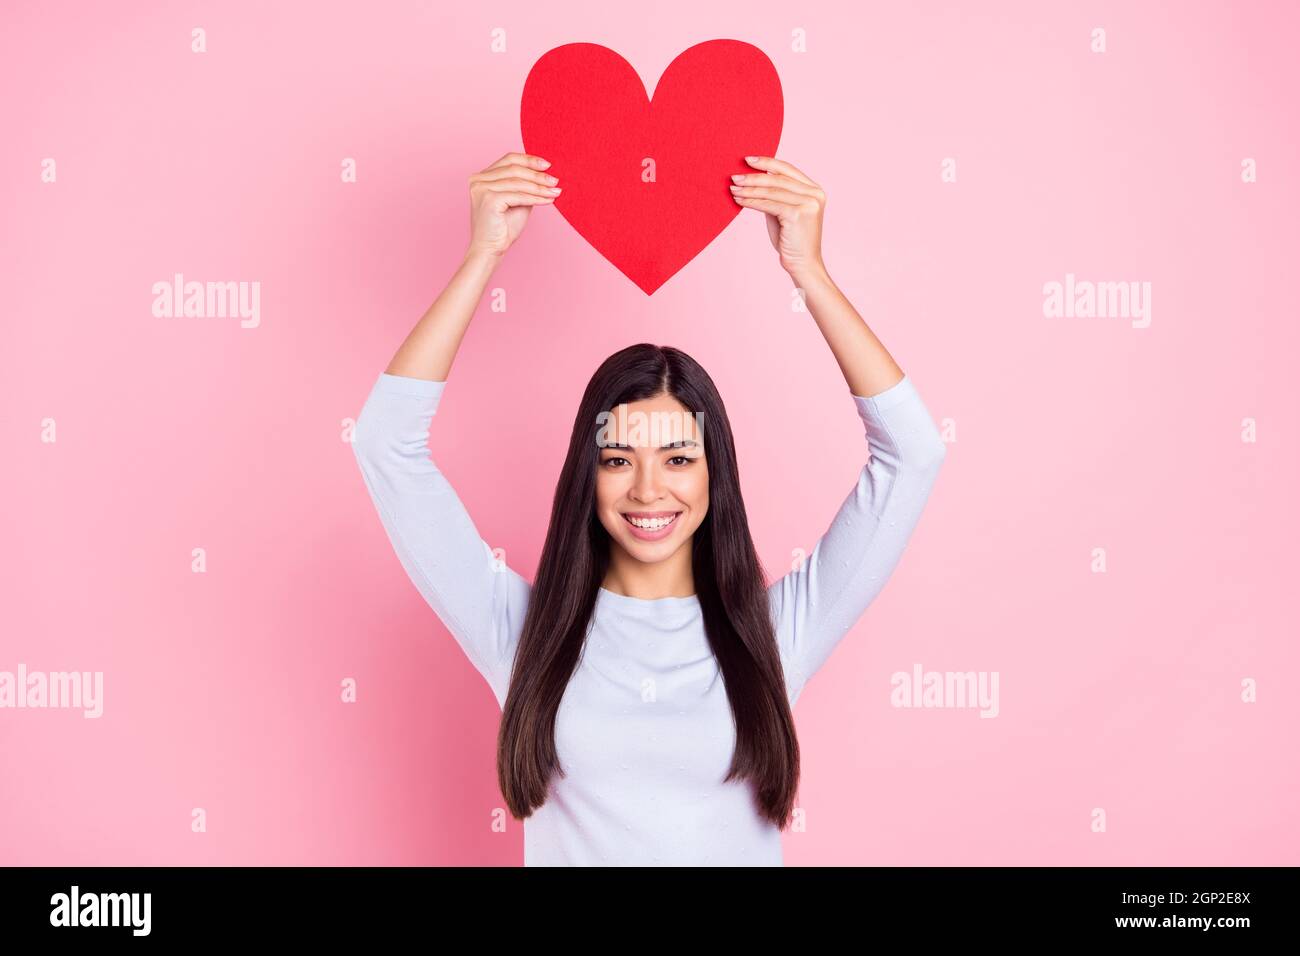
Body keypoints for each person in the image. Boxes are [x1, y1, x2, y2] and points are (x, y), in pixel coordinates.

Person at [352, 151, 947, 865]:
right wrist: (483, 254)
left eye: (676, 458)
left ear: (712, 473)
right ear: (588, 475)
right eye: (616, 460)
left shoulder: (778, 636)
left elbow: (912, 454)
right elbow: (386, 444)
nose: (646, 490)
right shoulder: (520, 636)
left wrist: (809, 274)